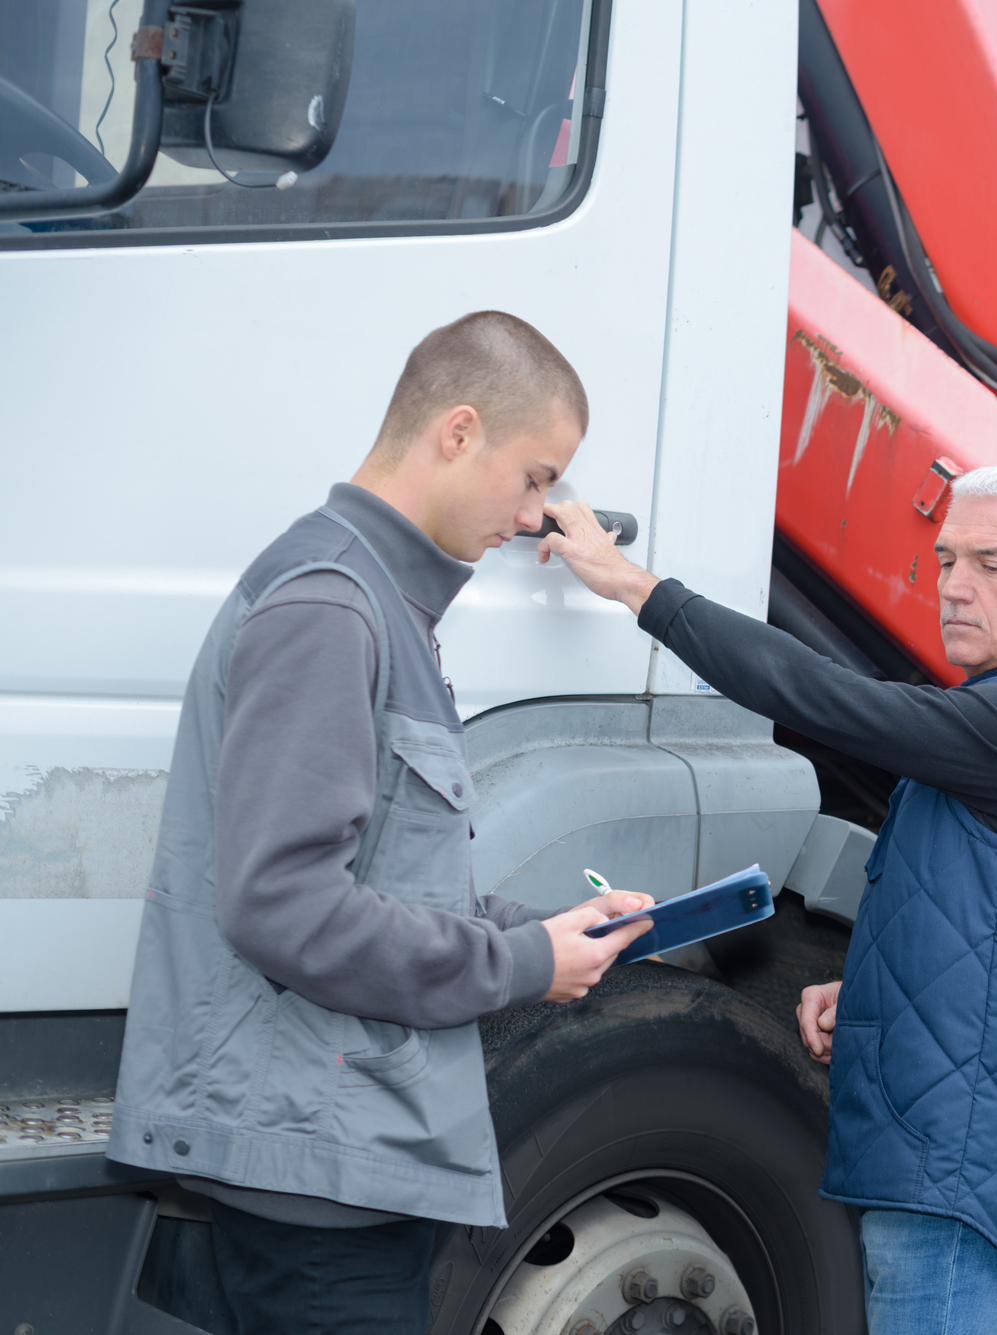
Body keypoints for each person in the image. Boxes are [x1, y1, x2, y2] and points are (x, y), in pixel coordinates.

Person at [107, 311, 654, 1334]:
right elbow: (283, 905)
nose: (541, 514)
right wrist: (519, 966)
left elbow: (390, 881)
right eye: (535, 477)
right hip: (318, 1186)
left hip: (336, 1161)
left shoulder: (374, 602)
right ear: (457, 431)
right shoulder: (333, 607)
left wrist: (542, 931)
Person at [543, 464, 997, 1334]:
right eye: (946, 561)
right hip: (964, 1154)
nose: (955, 587)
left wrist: (638, 589)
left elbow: (829, 696)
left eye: (992, 564)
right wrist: (871, 990)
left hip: (958, 1169)